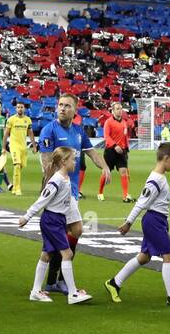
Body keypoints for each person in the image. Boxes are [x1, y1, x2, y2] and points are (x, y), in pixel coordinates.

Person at [104, 142, 170, 308]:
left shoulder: (159, 178)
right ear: (165, 159)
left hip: (157, 220)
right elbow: (141, 203)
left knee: (144, 257)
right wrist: (128, 223)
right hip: (154, 221)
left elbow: (161, 198)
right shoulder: (155, 180)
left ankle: (114, 283)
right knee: (168, 257)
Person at [37, 93, 108, 295]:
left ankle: (54, 281)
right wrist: (51, 190)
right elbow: (46, 163)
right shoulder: (49, 130)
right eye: (60, 105)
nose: (62, 108)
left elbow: (92, 152)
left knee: (73, 232)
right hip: (59, 194)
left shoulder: (78, 131)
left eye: (67, 106)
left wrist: (104, 167)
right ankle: (52, 283)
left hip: (72, 191)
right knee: (59, 238)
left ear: (75, 110)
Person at [18, 147, 92, 305]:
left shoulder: (64, 178)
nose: (75, 162)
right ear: (64, 162)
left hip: (56, 220)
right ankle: (72, 294)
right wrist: (27, 216)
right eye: (72, 159)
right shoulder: (57, 180)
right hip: (52, 220)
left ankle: (35, 291)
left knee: (47, 254)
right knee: (67, 254)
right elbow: (42, 200)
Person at [100, 101, 133, 203]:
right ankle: (100, 192)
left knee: (123, 172)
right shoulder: (108, 122)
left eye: (121, 109)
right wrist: (115, 146)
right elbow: (106, 136)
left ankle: (125, 195)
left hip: (122, 151)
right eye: (117, 109)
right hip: (110, 150)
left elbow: (124, 136)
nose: (120, 111)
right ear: (113, 111)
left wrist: (126, 149)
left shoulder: (124, 122)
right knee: (106, 173)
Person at [4, 100, 34, 196]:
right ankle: (17, 189)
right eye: (18, 107)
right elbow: (6, 134)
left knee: (20, 167)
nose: (20, 109)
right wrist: (3, 147)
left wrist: (34, 145)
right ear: (16, 108)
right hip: (14, 146)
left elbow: (30, 133)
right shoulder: (11, 119)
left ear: (24, 108)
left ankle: (13, 187)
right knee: (17, 165)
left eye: (21, 107)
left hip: (23, 147)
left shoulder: (28, 120)